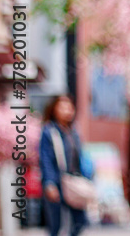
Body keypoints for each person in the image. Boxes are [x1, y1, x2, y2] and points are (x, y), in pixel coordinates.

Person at [39, 95, 90, 236]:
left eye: (69, 107)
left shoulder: (73, 132)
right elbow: (46, 159)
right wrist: (49, 184)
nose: (67, 110)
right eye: (62, 107)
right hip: (57, 183)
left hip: (73, 183)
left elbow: (80, 158)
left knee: (80, 221)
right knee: (56, 225)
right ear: (54, 109)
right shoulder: (49, 132)